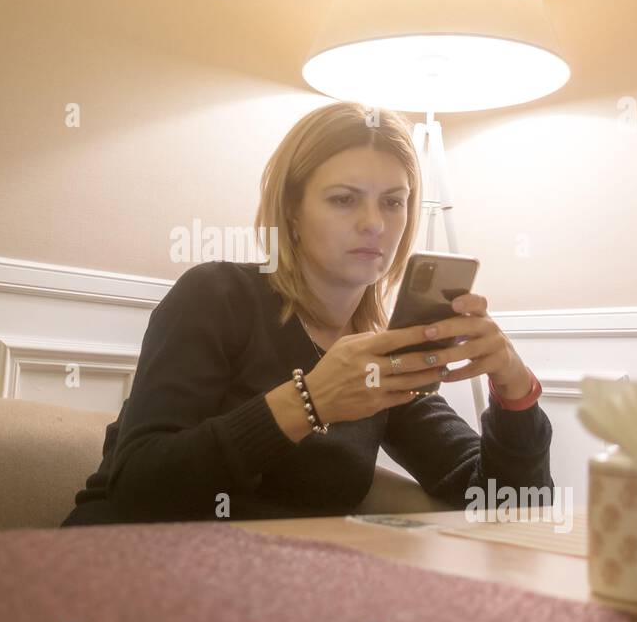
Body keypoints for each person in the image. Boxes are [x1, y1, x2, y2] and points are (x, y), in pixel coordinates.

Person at [60, 102, 550, 526]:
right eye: (344, 199)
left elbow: (507, 506)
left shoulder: (381, 354)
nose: (374, 224)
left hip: (270, 595)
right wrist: (310, 400)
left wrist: (514, 393)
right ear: (292, 209)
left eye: (393, 202)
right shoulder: (217, 296)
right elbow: (137, 493)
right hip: (125, 570)